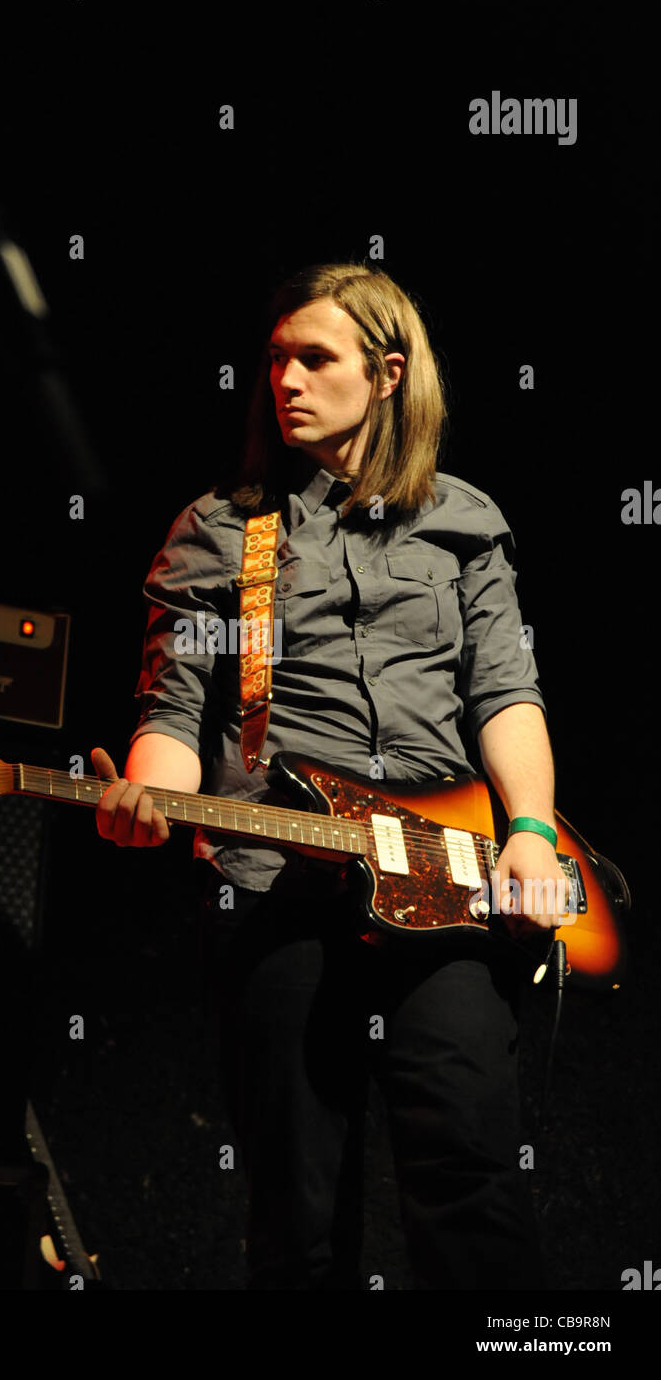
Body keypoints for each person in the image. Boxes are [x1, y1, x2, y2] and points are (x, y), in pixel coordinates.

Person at [92, 262, 566, 1291]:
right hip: (276, 888)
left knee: (474, 1186)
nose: (285, 381)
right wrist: (146, 793)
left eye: (315, 358)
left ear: (388, 373)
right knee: (298, 1213)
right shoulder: (222, 530)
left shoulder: (464, 523)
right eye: (275, 360)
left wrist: (529, 829)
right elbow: (173, 711)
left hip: (446, 890)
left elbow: (504, 693)